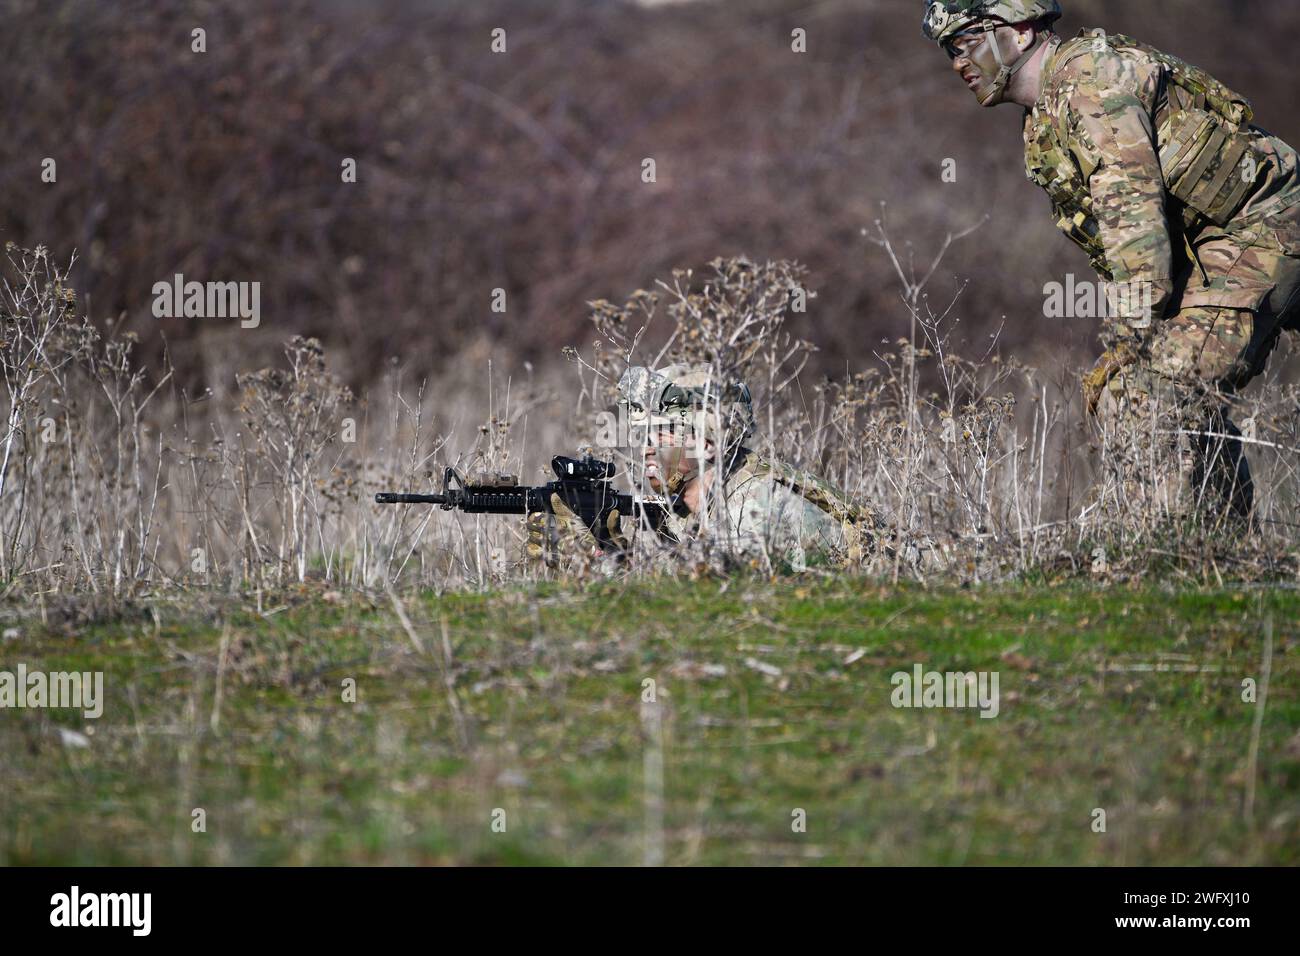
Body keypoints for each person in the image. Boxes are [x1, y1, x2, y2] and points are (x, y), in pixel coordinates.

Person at [921, 0, 1300, 522]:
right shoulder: (1045, 117)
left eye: (965, 42)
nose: (957, 62)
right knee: (1157, 390)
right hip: (1218, 248)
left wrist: (1129, 341)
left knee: (1148, 391)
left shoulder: (1089, 85)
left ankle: (1170, 560)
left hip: (1264, 230)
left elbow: (1136, 229)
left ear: (1022, 30)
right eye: (948, 51)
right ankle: (1218, 561)